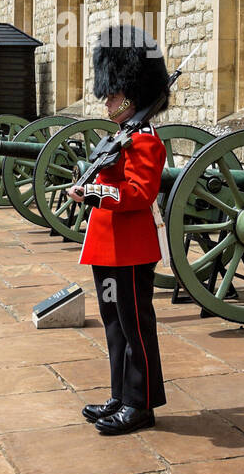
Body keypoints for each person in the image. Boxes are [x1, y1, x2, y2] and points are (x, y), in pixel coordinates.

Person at [69, 26, 169, 436]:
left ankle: (140, 403)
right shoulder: (121, 137)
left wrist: (94, 191)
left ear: (131, 94)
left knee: (135, 327)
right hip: (106, 245)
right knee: (114, 326)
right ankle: (119, 394)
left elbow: (140, 195)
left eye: (112, 93)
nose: (107, 100)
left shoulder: (145, 140)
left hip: (129, 247)